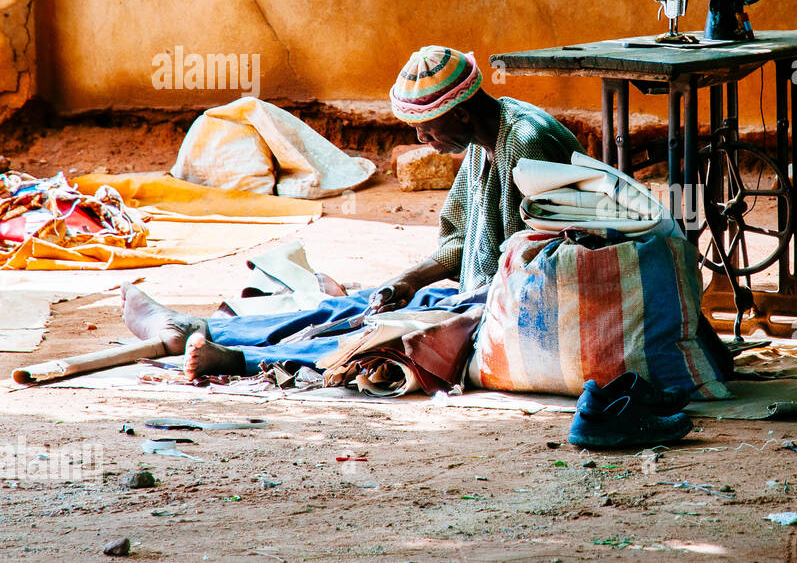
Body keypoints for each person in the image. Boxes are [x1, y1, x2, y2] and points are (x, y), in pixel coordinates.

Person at [121, 45, 583, 379]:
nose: (423, 141)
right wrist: (406, 282)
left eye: (427, 129)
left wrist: (454, 305)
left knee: (387, 335)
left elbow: (541, 261)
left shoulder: (526, 140)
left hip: (528, 309)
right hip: (485, 295)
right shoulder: (484, 138)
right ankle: (202, 328)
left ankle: (241, 360)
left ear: (461, 113)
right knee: (359, 306)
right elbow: (461, 241)